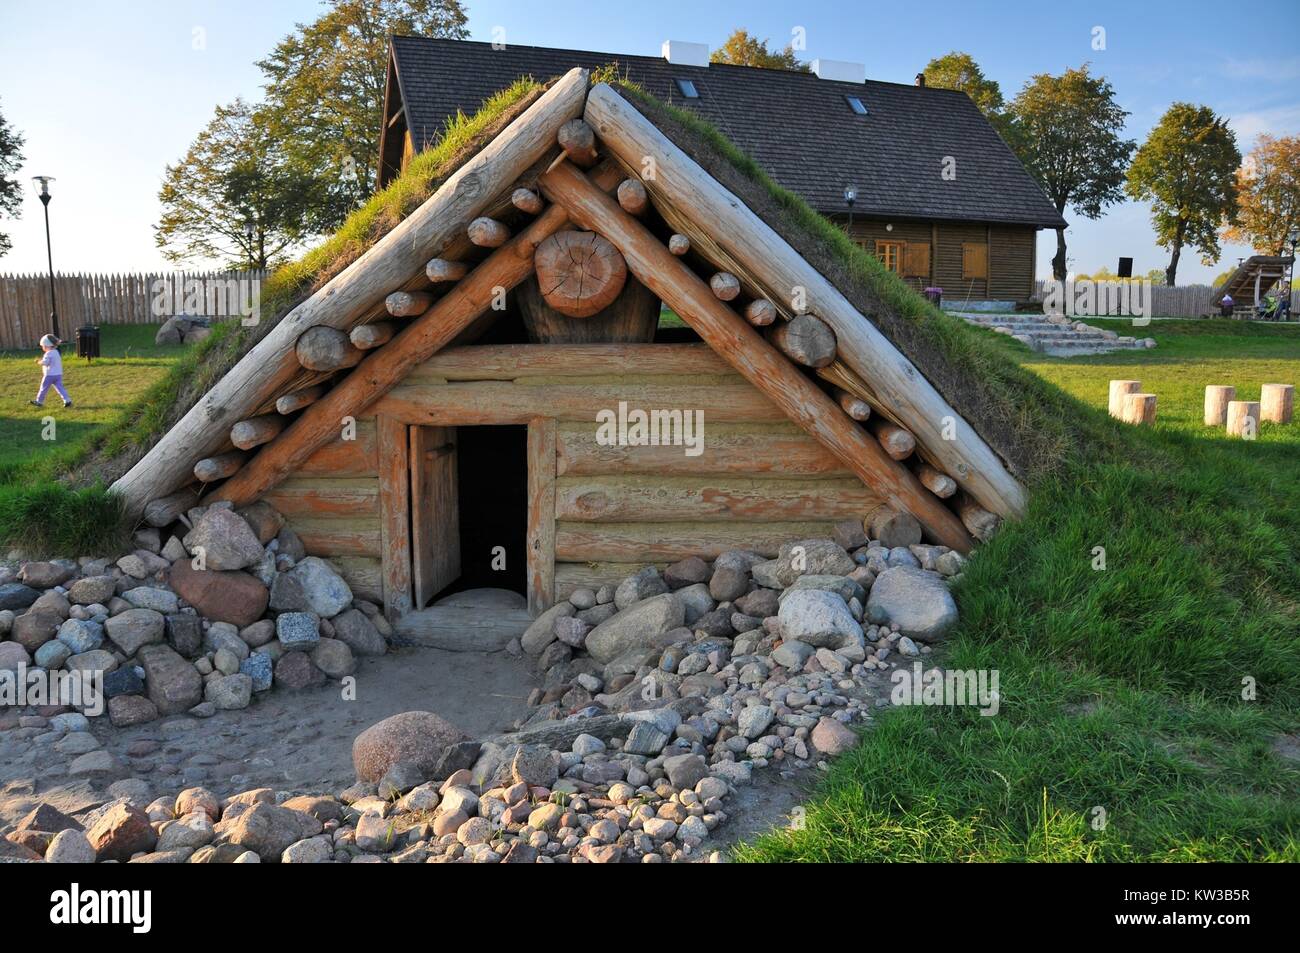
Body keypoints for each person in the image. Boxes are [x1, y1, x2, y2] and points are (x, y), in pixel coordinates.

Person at [29, 334, 73, 408]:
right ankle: (67, 400)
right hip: (58, 374)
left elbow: (45, 362)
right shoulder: (56, 352)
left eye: (43, 346)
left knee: (43, 388)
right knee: (60, 388)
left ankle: (39, 401)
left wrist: (38, 362)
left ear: (47, 345)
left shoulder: (48, 353)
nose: (42, 347)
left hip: (49, 375)